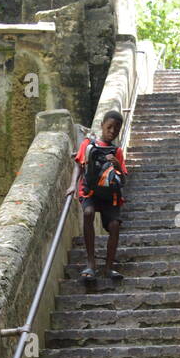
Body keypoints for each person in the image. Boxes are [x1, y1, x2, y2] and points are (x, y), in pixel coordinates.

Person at [74, 109, 128, 282]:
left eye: (116, 130)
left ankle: (109, 267)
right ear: (102, 125)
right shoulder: (88, 144)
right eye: (109, 127)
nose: (112, 132)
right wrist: (71, 186)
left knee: (114, 225)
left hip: (110, 194)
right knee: (88, 213)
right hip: (90, 190)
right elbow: (79, 165)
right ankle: (91, 264)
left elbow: (123, 178)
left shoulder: (117, 151)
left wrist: (117, 164)